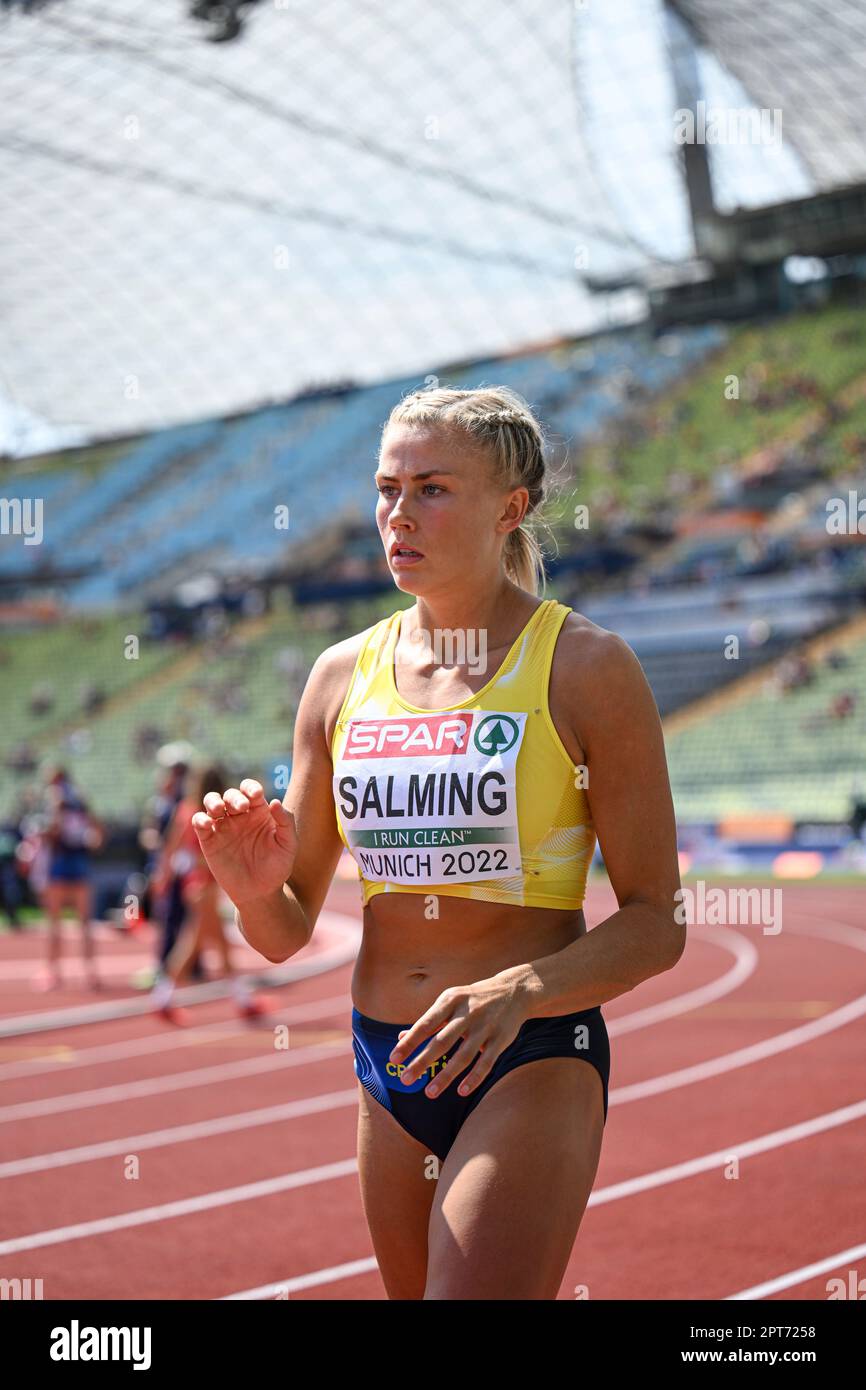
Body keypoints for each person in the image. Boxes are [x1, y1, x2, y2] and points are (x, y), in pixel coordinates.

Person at [190, 385, 685, 1300]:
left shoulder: (585, 666)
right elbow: (284, 932)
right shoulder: (341, 676)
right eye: (386, 488)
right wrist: (255, 889)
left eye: (431, 488)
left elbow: (659, 921)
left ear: (512, 508)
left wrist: (524, 988)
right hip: (389, 1062)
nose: (398, 514)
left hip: (528, 1053)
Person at [150, 762, 268, 1024]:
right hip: (204, 886)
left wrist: (163, 879)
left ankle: (242, 1001)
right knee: (192, 947)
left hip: (196, 885)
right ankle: (163, 998)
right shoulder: (216, 813)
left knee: (211, 945)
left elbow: (170, 848)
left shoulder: (186, 810)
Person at [38, 767, 104, 991]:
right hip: (79, 863)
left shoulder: (57, 800)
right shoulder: (81, 800)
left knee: (55, 921)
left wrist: (45, 833)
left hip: (62, 863)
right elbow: (98, 833)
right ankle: (90, 972)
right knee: (84, 923)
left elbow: (55, 831)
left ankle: (53, 972)